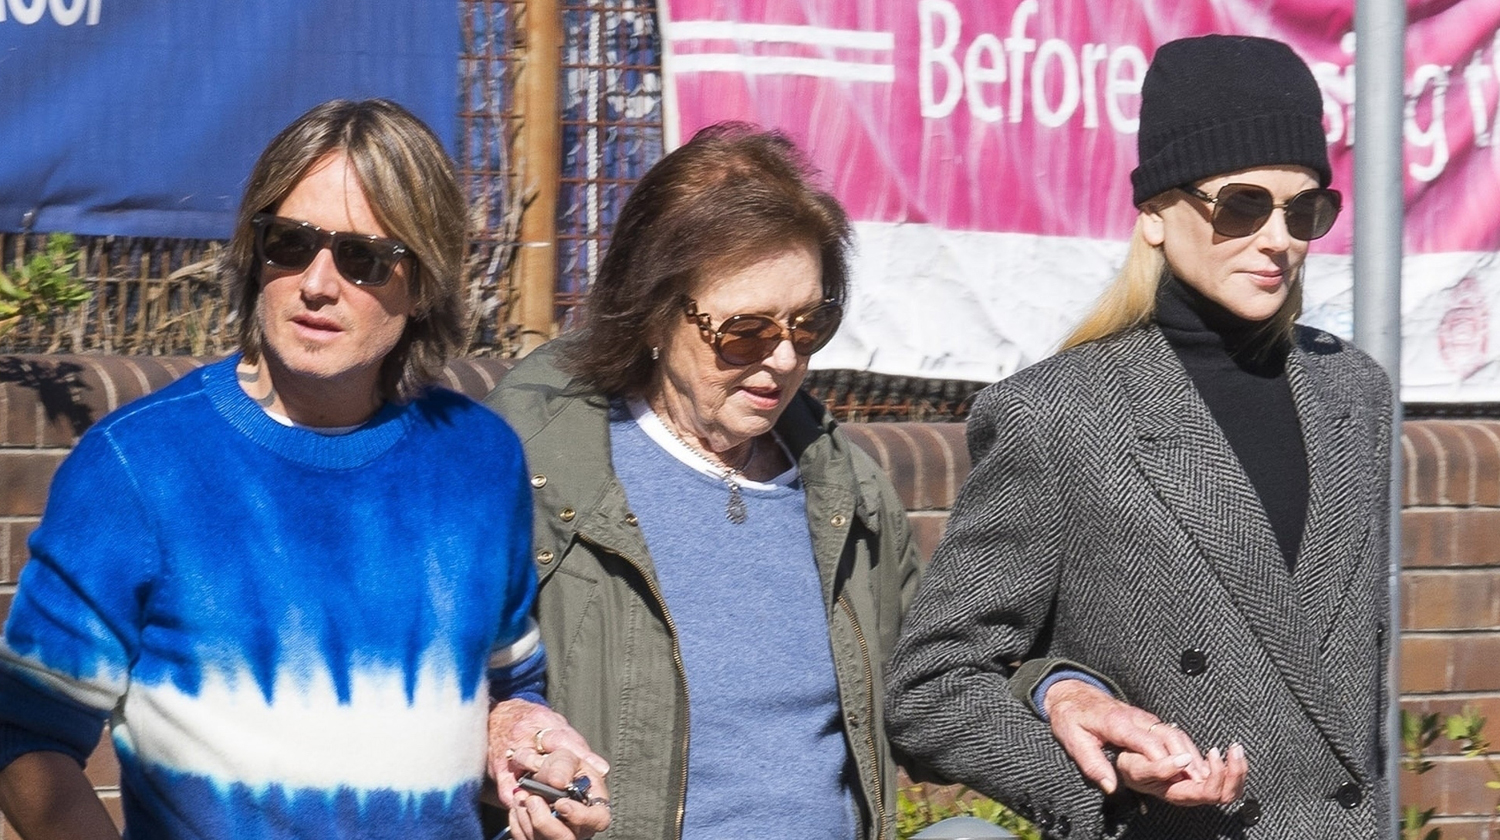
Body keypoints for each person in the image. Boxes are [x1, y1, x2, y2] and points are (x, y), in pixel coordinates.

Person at [0, 99, 608, 840]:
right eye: (289, 243)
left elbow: (506, 683)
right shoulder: (138, 464)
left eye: (363, 257)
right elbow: (24, 735)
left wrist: (526, 741)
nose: (317, 282)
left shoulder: (481, 460)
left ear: (421, 284)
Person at [885, 35, 1392, 839]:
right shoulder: (1061, 412)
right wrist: (1106, 788)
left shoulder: (1353, 391)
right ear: (1156, 212)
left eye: (1305, 210)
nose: (1279, 239)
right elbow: (932, 684)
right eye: (1242, 205)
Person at [482, 122, 922, 840]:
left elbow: (937, 690)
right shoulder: (529, 470)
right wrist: (505, 729)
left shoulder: (850, 496)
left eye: (808, 326)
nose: (782, 360)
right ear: (655, 313)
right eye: (745, 330)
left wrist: (1060, 694)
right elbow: (428, 688)